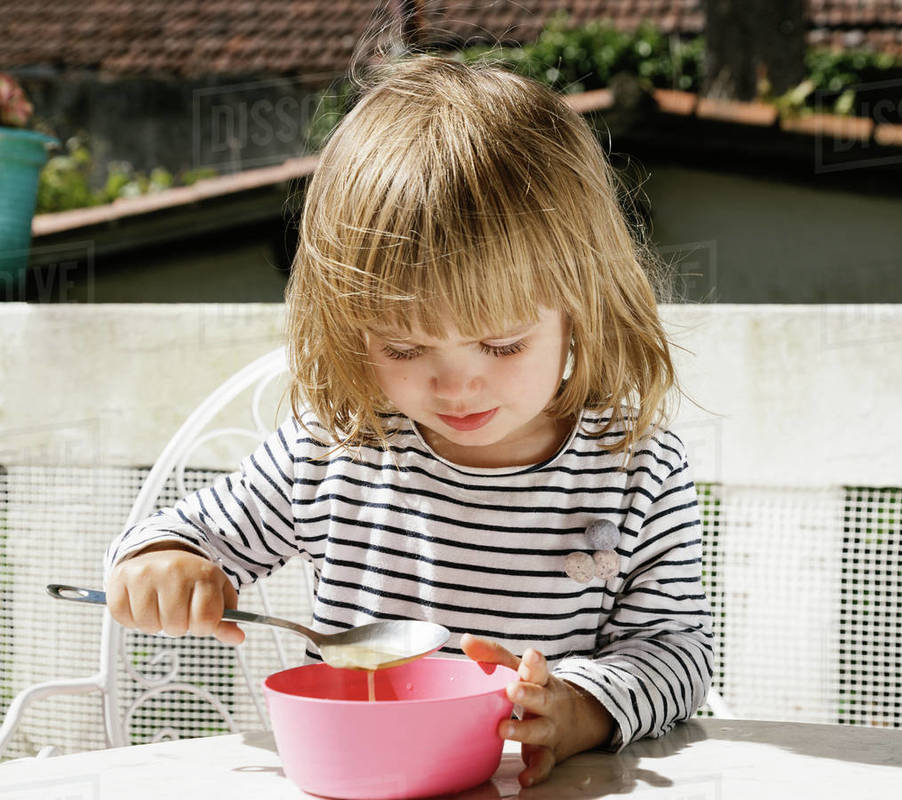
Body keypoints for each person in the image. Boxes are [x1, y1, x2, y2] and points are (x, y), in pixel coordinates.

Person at [103, 54, 712, 787]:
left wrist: (584, 706)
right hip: (357, 780)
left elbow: (675, 654)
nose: (457, 384)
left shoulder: (635, 468)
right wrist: (160, 563)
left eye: (503, 343)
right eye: (404, 347)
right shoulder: (337, 450)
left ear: (581, 301)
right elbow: (192, 537)